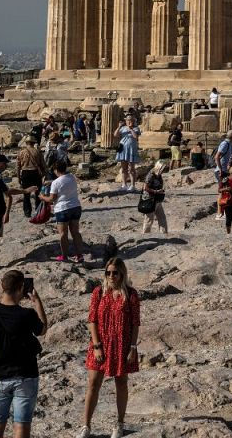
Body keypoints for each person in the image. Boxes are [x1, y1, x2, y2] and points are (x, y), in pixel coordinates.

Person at [78, 257, 141, 438]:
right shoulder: (99, 292)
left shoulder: (131, 294)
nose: (111, 276)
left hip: (122, 345)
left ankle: (119, 423)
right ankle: (85, 426)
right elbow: (92, 320)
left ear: (122, 274)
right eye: (108, 272)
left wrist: (132, 347)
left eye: (115, 273)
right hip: (100, 344)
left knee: (121, 383)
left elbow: (135, 323)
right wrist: (97, 345)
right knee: (93, 383)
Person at [0, 270, 47, 438]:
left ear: (2, 286)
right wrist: (37, 302)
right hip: (25, 375)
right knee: (21, 425)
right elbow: (42, 329)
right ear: (21, 287)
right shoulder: (27, 314)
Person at [35, 159, 84, 264]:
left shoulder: (55, 183)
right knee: (75, 232)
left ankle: (64, 256)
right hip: (75, 206)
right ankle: (79, 255)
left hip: (62, 209)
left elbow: (51, 199)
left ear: (56, 170)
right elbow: (63, 181)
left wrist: (42, 197)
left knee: (63, 234)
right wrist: (50, 182)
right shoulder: (72, 177)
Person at [139, 160, 167, 235]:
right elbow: (145, 188)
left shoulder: (159, 175)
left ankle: (164, 234)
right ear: (159, 167)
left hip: (157, 199)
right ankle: (146, 235)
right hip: (150, 200)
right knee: (149, 219)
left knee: (162, 217)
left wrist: (160, 191)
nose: (164, 170)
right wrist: (156, 191)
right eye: (163, 168)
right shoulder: (151, 174)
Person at [114, 115, 140, 192]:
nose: (129, 121)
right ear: (126, 121)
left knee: (132, 168)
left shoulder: (136, 128)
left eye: (130, 120)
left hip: (131, 149)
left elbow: (135, 137)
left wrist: (130, 129)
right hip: (122, 148)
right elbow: (115, 135)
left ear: (133, 121)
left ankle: (132, 185)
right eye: (127, 120)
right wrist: (119, 127)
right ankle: (124, 185)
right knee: (124, 168)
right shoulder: (123, 128)